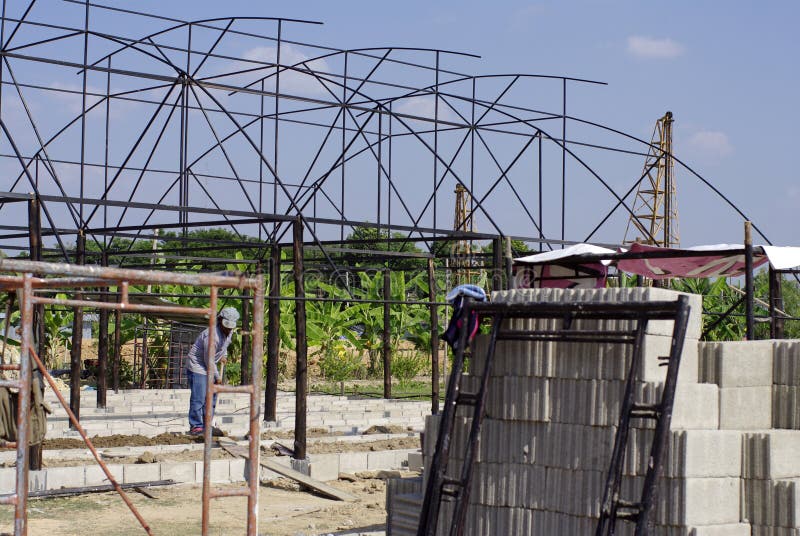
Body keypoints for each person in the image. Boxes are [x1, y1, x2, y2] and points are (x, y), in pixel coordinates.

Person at [186, 306, 239, 436]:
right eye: (226, 326)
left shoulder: (229, 331)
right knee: (200, 397)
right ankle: (196, 427)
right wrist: (217, 377)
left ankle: (207, 425)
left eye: (230, 327)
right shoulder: (211, 336)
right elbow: (208, 360)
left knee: (211, 398)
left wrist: (223, 355)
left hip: (210, 365)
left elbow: (225, 344)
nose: (228, 329)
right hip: (198, 366)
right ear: (220, 320)